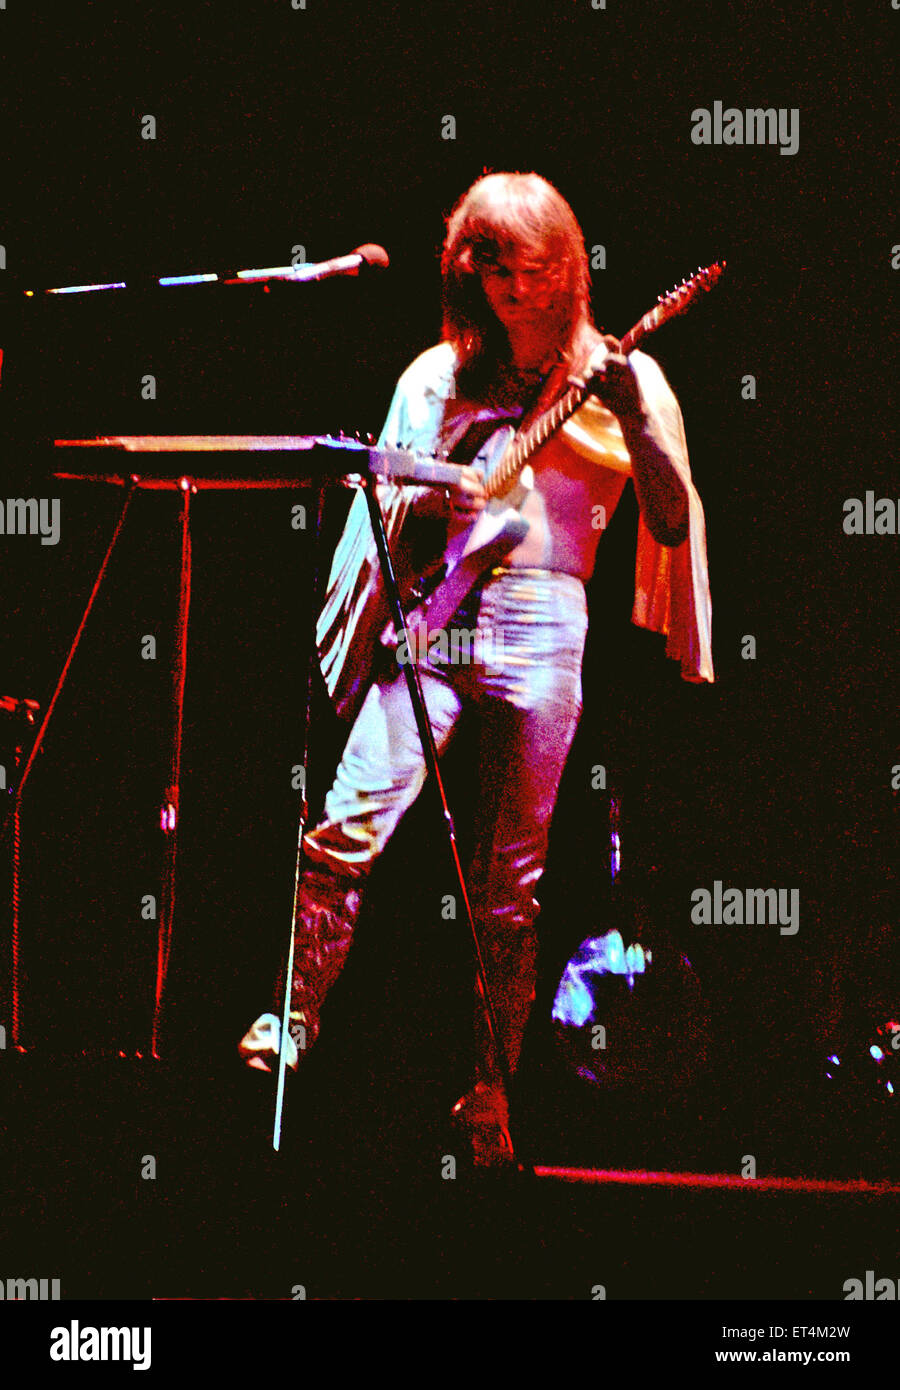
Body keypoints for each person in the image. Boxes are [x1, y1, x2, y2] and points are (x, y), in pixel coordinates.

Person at [239, 171, 714, 1164]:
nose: (507, 291)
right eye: (485, 267)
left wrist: (631, 415)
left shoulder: (622, 372)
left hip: (547, 620)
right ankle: (290, 1016)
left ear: (567, 271)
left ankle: (489, 1089)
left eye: (528, 270)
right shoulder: (436, 376)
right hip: (440, 617)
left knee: (511, 886)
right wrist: (434, 511)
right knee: (346, 820)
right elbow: (384, 512)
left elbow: (672, 518)